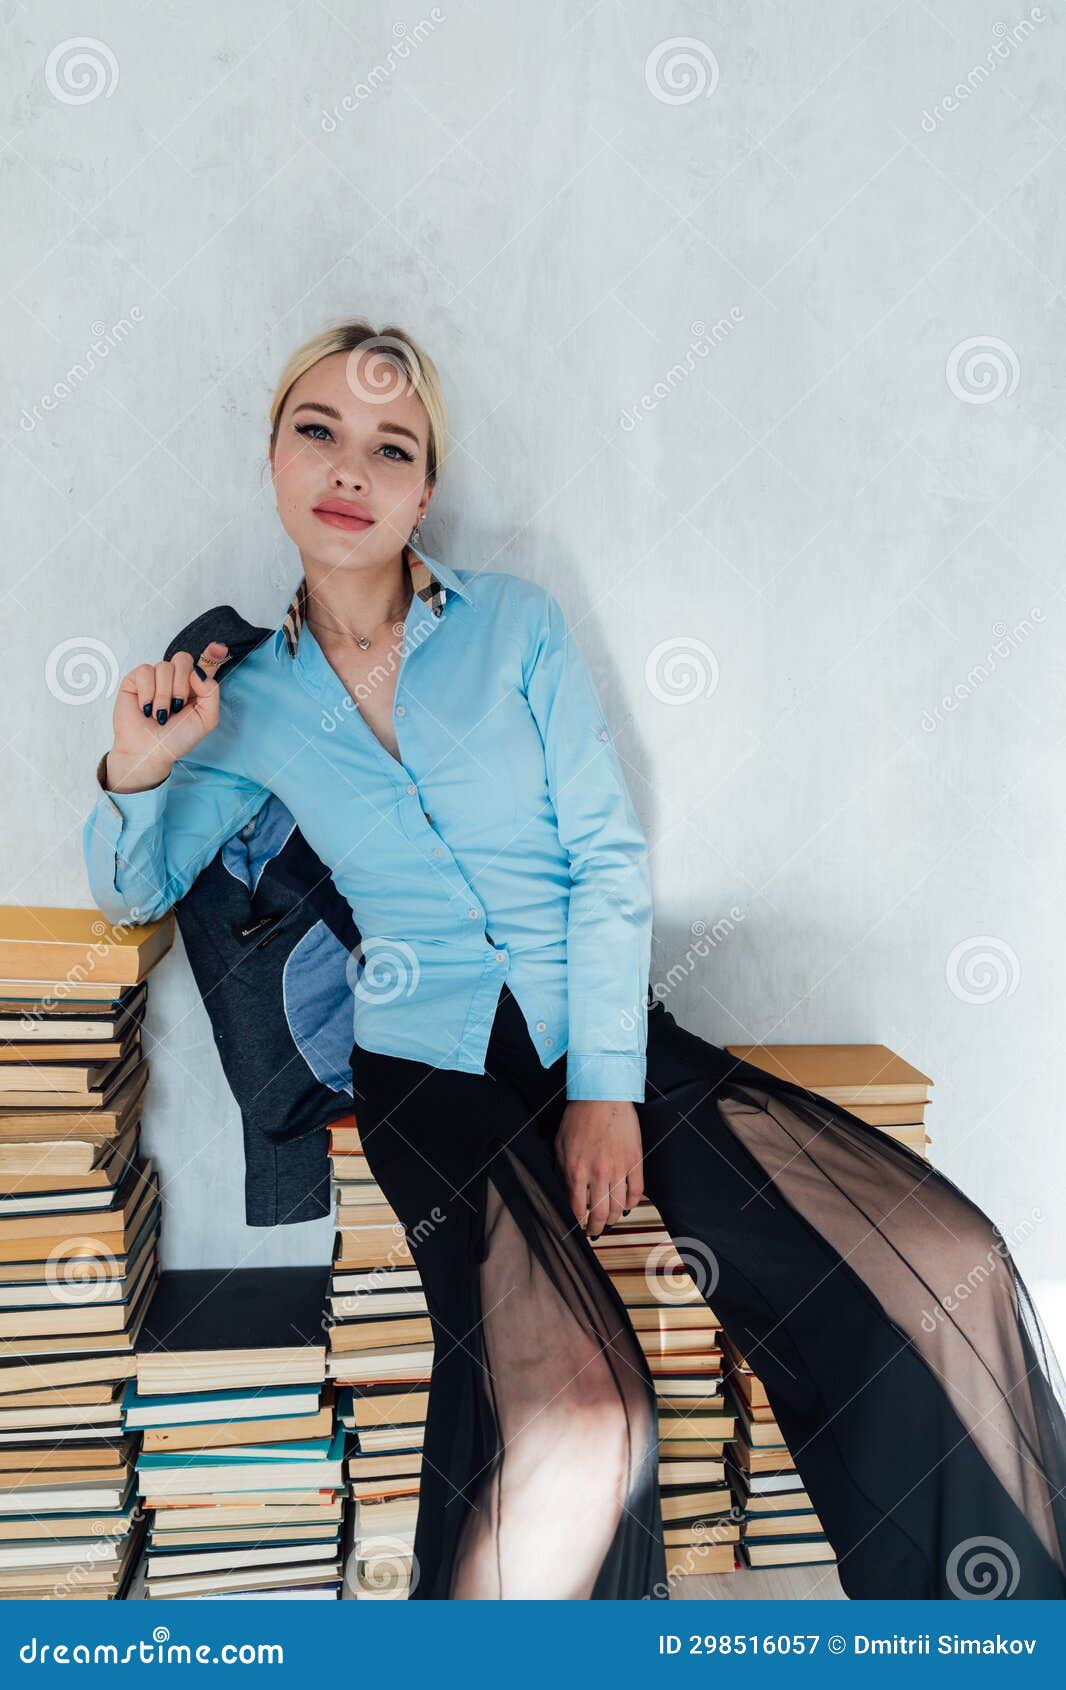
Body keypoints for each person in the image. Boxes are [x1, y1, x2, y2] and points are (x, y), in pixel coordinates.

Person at [83, 319, 1066, 1600]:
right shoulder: (247, 696)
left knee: (949, 1262)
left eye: (391, 445)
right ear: (273, 457)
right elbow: (133, 889)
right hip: (423, 1068)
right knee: (582, 1410)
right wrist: (137, 768)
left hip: (593, 1028)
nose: (350, 467)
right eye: (317, 430)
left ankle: (987, 1636)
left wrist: (606, 1087)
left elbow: (605, 859)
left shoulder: (515, 626)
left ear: (424, 489)